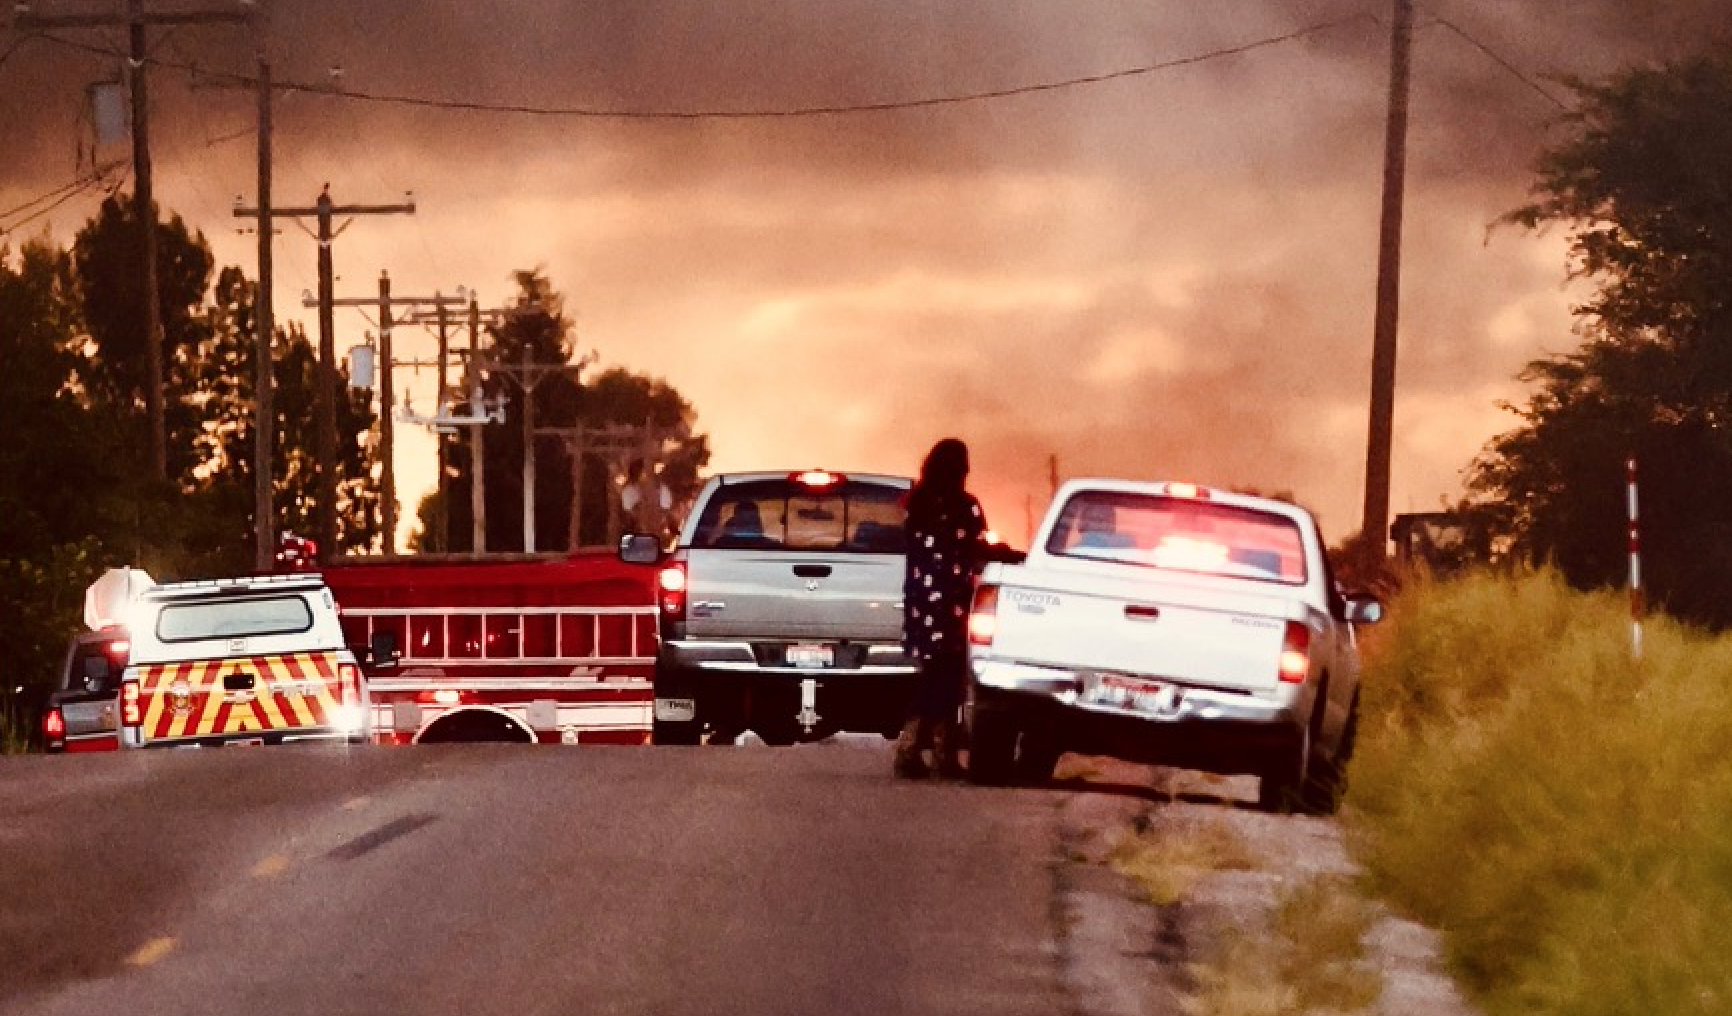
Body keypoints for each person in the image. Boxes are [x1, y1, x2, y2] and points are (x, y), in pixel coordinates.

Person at [896, 437, 993, 779]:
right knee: (948, 680)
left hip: (922, 605)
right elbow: (974, 548)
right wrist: (1006, 555)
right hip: (951, 605)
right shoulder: (965, 506)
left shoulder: (916, 502)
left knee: (932, 676)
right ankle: (940, 753)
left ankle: (913, 748)